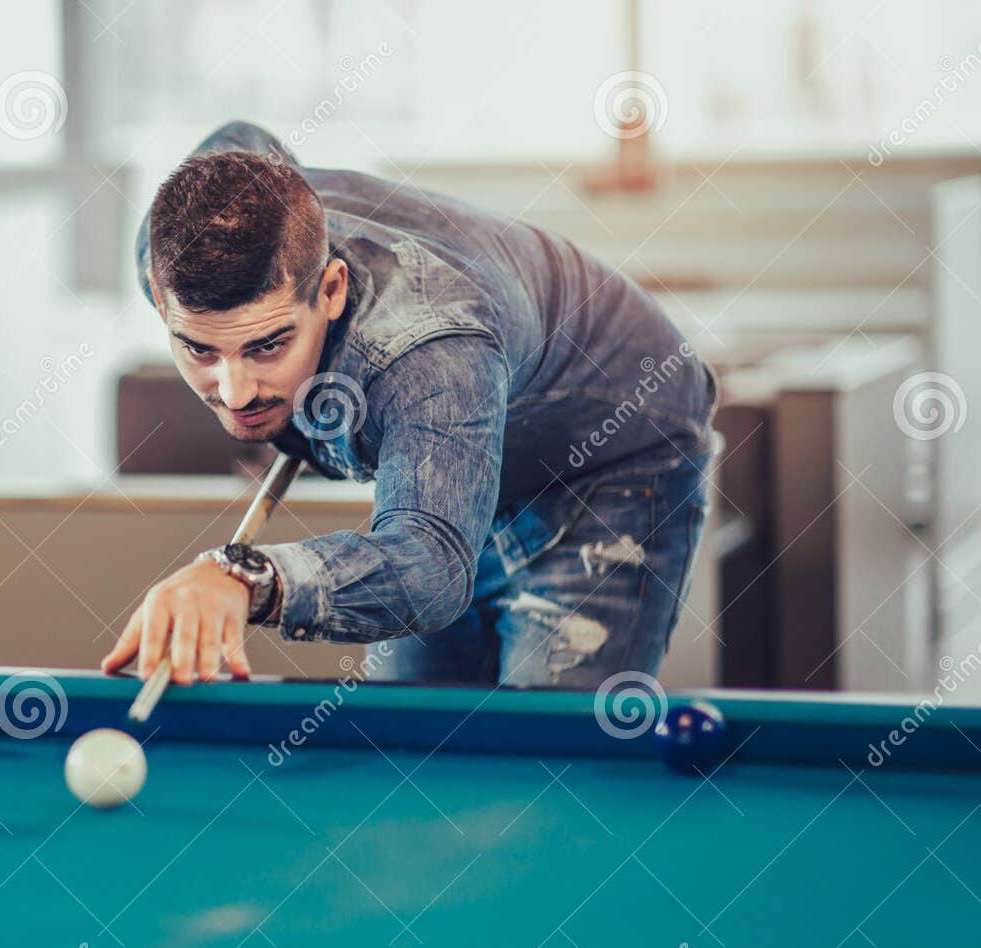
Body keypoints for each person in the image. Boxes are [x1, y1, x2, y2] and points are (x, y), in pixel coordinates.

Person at [100, 121, 716, 690]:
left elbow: (432, 568)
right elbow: (240, 138)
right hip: (457, 451)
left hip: (608, 452)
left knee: (541, 751)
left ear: (331, 289)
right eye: (200, 349)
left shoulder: (432, 352)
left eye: (269, 345)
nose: (234, 393)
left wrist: (250, 580)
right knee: (411, 743)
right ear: (158, 292)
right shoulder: (171, 246)